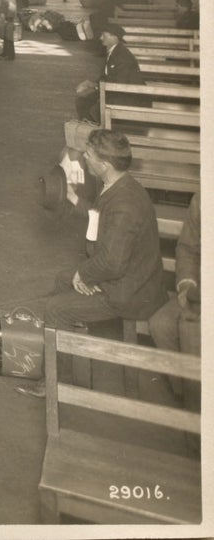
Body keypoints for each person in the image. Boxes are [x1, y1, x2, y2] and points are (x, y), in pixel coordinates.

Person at [19, 131, 167, 397]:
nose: (85, 158)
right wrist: (74, 199)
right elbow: (100, 217)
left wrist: (84, 275)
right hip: (127, 278)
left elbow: (112, 263)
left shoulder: (125, 206)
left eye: (89, 155)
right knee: (62, 280)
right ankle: (65, 352)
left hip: (130, 292)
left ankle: (56, 382)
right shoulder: (118, 185)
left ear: (104, 164)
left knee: (55, 309)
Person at [147, 193, 200, 410]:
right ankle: (189, 399)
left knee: (191, 328)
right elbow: (187, 248)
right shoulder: (203, 197)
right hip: (199, 288)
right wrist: (187, 284)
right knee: (161, 324)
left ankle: (198, 406)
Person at [74, 23, 142, 123]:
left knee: (93, 108)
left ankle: (98, 128)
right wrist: (91, 84)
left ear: (114, 37)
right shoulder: (114, 51)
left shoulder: (122, 56)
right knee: (82, 101)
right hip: (117, 92)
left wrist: (96, 88)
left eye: (103, 35)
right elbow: (106, 76)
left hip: (128, 97)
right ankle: (91, 126)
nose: (101, 38)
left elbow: (119, 84)